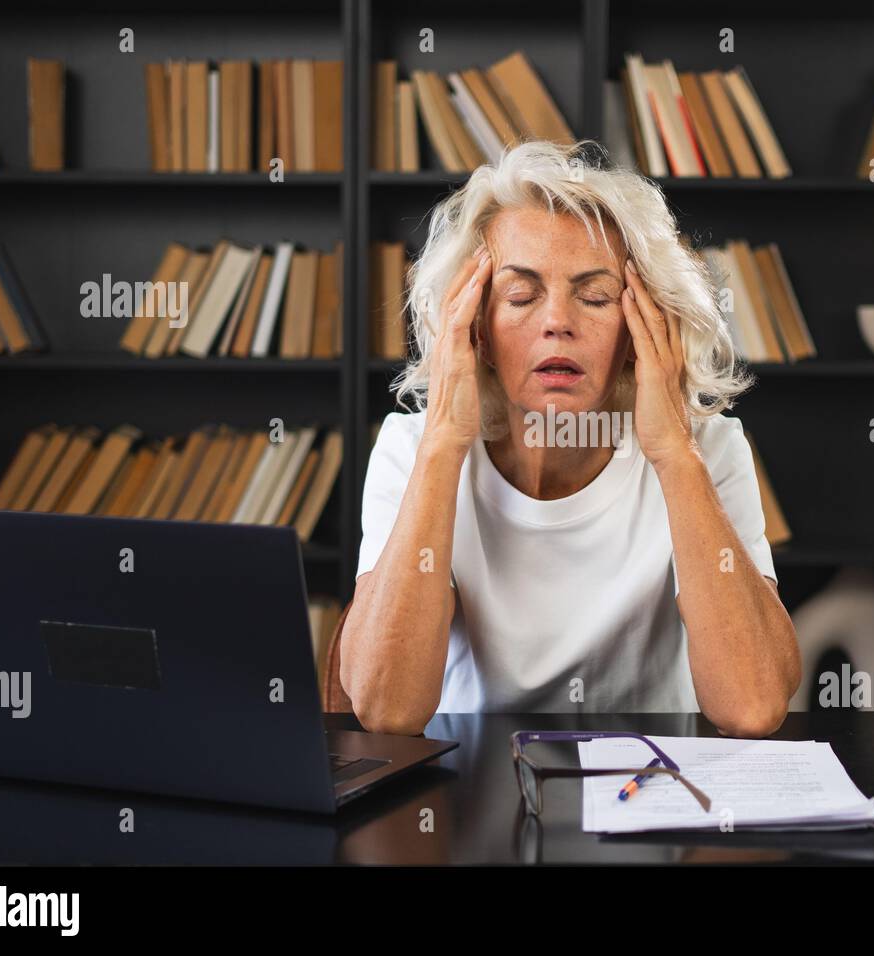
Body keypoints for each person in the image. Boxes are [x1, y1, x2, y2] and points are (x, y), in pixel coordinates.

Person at [341, 140, 800, 737]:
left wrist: (673, 456)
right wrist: (445, 445)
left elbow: (753, 706)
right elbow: (386, 709)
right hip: (472, 801)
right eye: (521, 295)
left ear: (643, 326)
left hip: (651, 799)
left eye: (595, 296)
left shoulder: (708, 451)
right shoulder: (411, 448)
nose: (558, 321)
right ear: (474, 323)